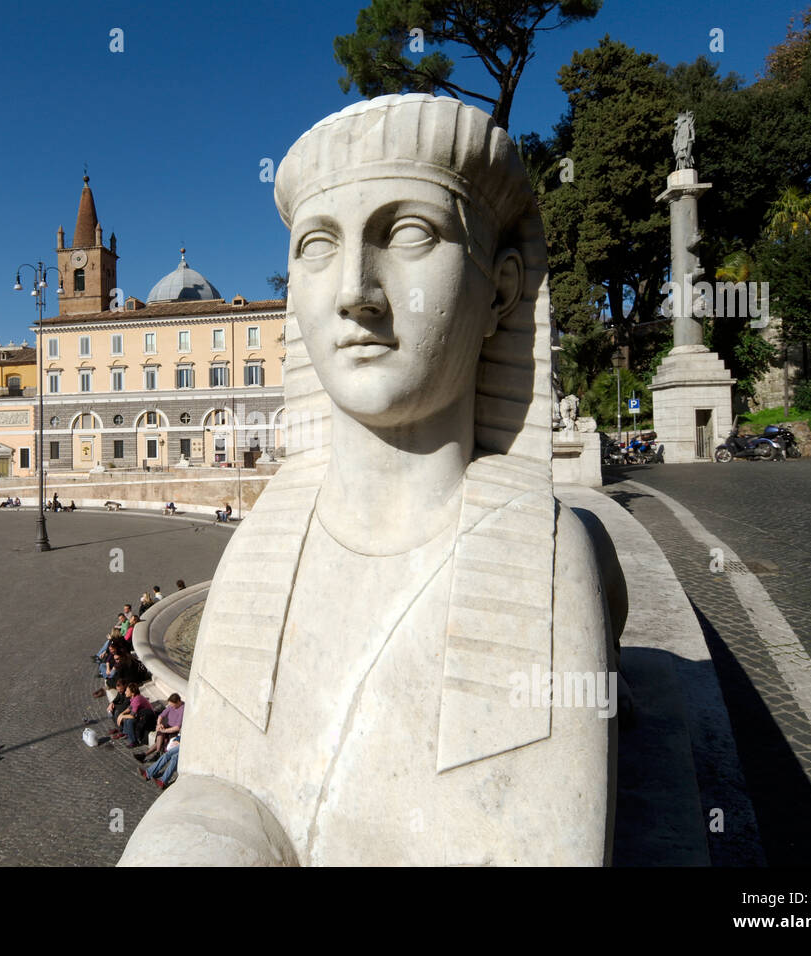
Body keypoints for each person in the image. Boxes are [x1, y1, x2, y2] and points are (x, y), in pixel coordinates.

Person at [120, 93, 623, 868]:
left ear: (503, 290)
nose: (356, 288)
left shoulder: (550, 560)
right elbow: (219, 794)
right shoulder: (262, 546)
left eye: (410, 232)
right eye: (318, 246)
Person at [140, 693, 184, 760]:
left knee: (161, 737)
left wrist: (164, 730)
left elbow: (177, 727)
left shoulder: (182, 709)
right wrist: (159, 724)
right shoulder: (171, 706)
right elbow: (161, 716)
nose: (171, 706)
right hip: (168, 727)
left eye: (173, 705)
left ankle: (148, 754)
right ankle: (155, 753)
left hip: (174, 731)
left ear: (178, 702)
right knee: (160, 733)